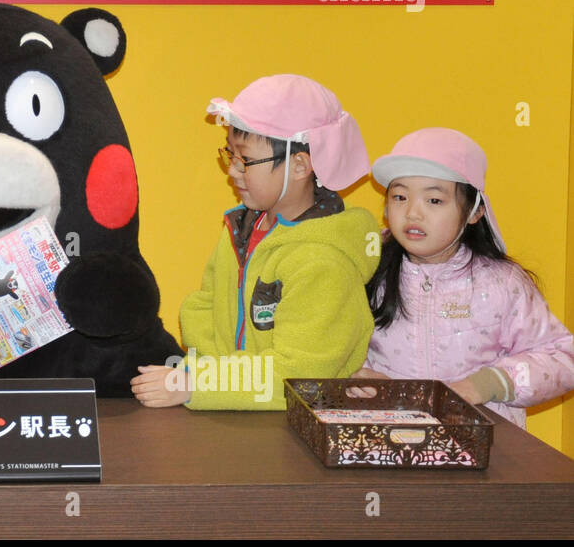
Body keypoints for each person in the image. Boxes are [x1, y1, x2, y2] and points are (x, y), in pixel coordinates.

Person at [131, 74, 376, 409]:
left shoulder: (324, 263)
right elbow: (207, 306)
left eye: (244, 159)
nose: (232, 171)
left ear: (300, 165)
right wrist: (197, 371)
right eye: (229, 154)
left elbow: (299, 376)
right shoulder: (241, 229)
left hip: (293, 429)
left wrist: (195, 383)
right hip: (229, 410)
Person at [353, 128, 574, 427]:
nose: (412, 213)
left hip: (485, 455)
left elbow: (563, 358)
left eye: (434, 200)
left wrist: (487, 384)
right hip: (392, 447)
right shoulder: (367, 273)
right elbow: (338, 343)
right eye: (400, 196)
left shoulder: (502, 282)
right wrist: (355, 374)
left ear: (474, 212)